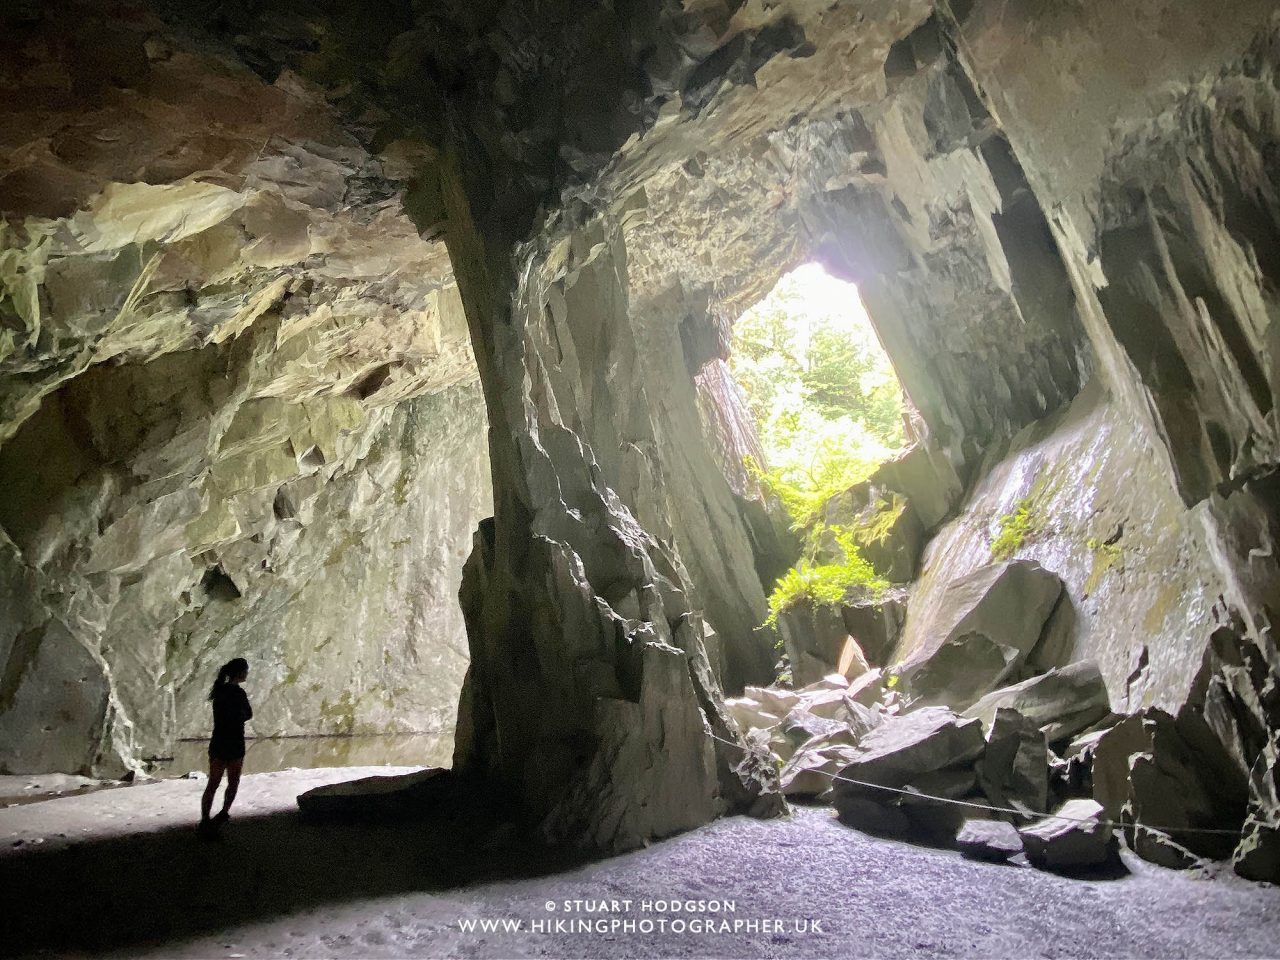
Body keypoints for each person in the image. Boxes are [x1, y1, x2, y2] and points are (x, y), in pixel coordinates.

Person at [200, 657, 252, 833]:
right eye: (245, 670)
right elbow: (248, 714)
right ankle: (223, 812)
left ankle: (205, 818)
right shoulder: (238, 693)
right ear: (240, 673)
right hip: (235, 742)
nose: (247, 673)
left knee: (213, 782)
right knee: (233, 781)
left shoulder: (219, 692)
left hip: (219, 741)